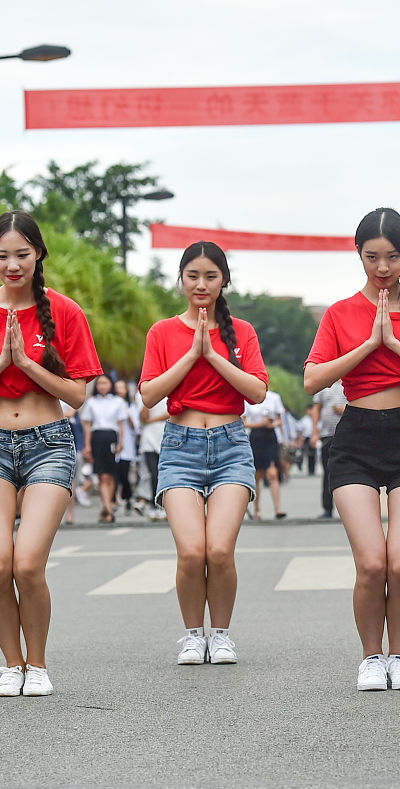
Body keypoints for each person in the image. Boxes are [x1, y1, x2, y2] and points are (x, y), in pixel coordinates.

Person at [0, 210, 102, 697]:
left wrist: (26, 363)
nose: (12, 265)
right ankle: (10, 664)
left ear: (38, 255)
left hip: (48, 443)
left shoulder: (65, 311)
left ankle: (37, 664)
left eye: (21, 255)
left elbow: (76, 397)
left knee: (27, 563)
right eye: (1, 256)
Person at [304, 208, 400, 691]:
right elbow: (313, 380)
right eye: (372, 257)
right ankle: (372, 658)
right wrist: (369, 343)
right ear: (360, 256)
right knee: (372, 562)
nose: (382, 267)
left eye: (392, 257)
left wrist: (396, 344)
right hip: (355, 438)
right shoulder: (340, 313)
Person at [139, 241, 268, 666]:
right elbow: (149, 395)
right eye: (192, 275)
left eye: (210, 276)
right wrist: (192, 353)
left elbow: (256, 391)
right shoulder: (162, 332)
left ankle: (223, 634)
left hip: (231, 445)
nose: (201, 284)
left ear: (224, 281)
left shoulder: (242, 332)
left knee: (219, 551)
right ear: (181, 279)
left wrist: (212, 354)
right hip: (180, 447)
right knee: (192, 551)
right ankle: (194, 634)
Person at [81, 374, 128, 523]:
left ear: (111, 384)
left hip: (112, 437)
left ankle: (109, 505)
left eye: (105, 383)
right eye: (100, 383)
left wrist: (121, 442)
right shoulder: (91, 402)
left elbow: (121, 425)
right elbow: (88, 425)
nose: (102, 386)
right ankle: (107, 507)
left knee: (111, 474)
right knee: (101, 474)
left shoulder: (118, 401)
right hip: (97, 437)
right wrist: (87, 445)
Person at [243, 389, 287, 520]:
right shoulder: (248, 397)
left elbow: (280, 421)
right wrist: (260, 424)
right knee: (257, 475)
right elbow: (244, 422)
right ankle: (257, 510)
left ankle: (278, 508)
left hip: (270, 436)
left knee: (273, 473)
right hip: (256, 436)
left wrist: (272, 424)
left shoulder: (274, 397)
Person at [310, 381, 346, 519]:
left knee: (349, 472)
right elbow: (316, 409)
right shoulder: (324, 384)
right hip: (327, 434)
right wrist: (314, 432)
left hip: (348, 434)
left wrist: (345, 409)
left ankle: (349, 510)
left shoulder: (351, 380)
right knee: (328, 471)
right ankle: (327, 507)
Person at [114, 379, 139, 513]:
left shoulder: (131, 407)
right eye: (117, 388)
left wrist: (126, 414)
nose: (119, 391)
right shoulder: (110, 405)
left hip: (127, 446)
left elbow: (136, 429)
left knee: (124, 474)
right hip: (113, 443)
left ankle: (127, 498)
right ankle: (117, 501)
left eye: (121, 388)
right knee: (114, 475)